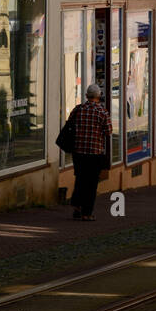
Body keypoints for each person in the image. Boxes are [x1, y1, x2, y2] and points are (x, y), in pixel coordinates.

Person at [63, 83, 112, 221]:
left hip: (78, 152)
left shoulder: (78, 110)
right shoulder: (102, 112)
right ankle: (87, 213)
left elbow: (69, 124)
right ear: (99, 96)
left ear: (86, 96)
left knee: (80, 179)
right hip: (94, 153)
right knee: (91, 183)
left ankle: (77, 207)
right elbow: (108, 131)